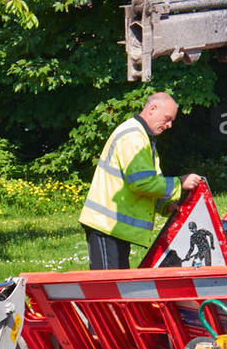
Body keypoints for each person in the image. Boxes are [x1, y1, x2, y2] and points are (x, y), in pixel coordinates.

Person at [79, 92, 202, 269]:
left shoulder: (141, 137)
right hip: (107, 227)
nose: (169, 125)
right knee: (110, 289)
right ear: (152, 109)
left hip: (113, 228)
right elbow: (142, 183)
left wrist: (165, 206)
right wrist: (179, 183)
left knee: (116, 287)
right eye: (167, 119)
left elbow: (149, 185)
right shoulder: (134, 136)